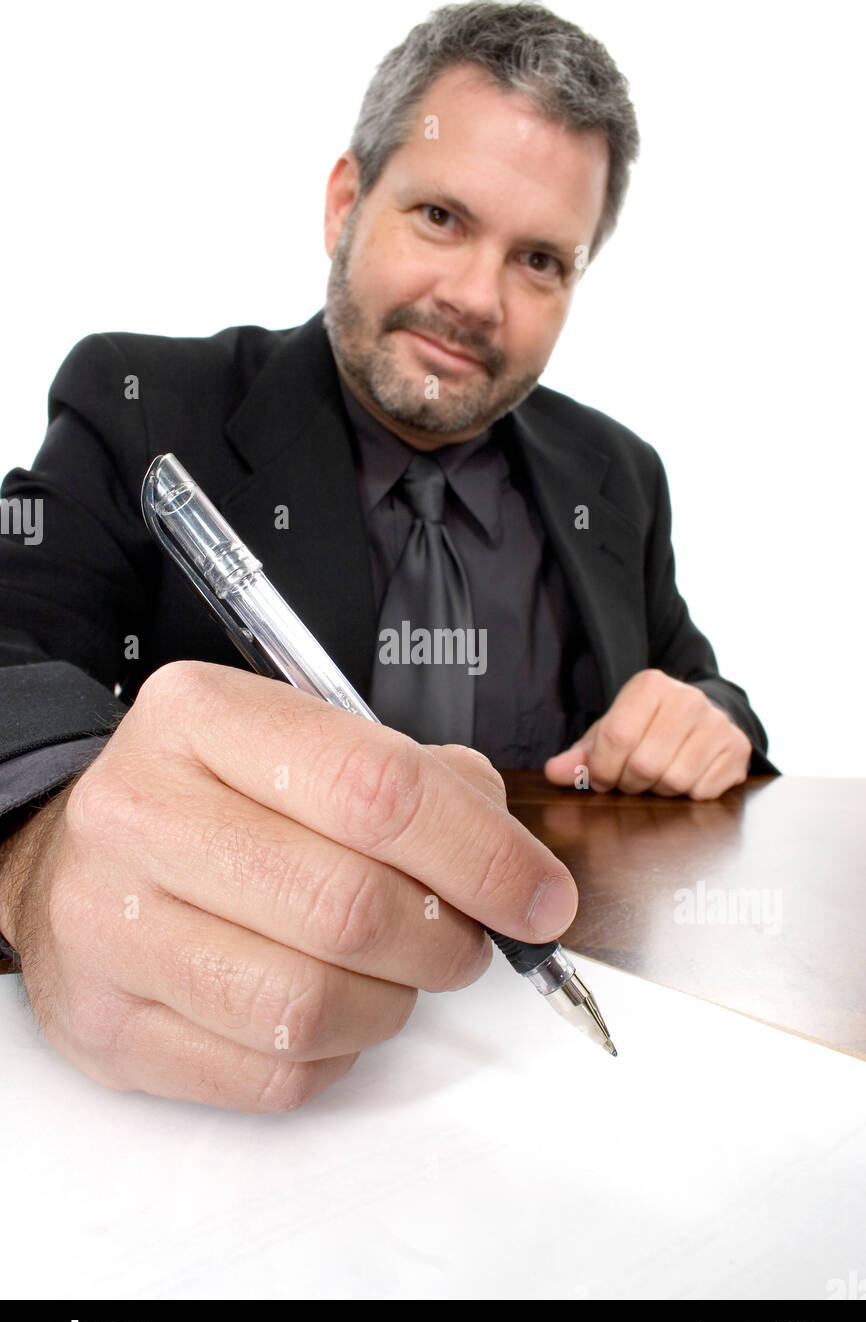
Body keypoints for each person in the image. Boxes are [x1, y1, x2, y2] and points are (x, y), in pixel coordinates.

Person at [0, 2, 776, 1109]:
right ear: (344, 202)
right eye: (441, 216)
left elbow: (693, 676)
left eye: (540, 259)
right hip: (251, 1098)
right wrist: (40, 855)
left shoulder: (618, 474)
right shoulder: (141, 405)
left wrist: (712, 715)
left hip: (547, 1077)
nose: (474, 298)